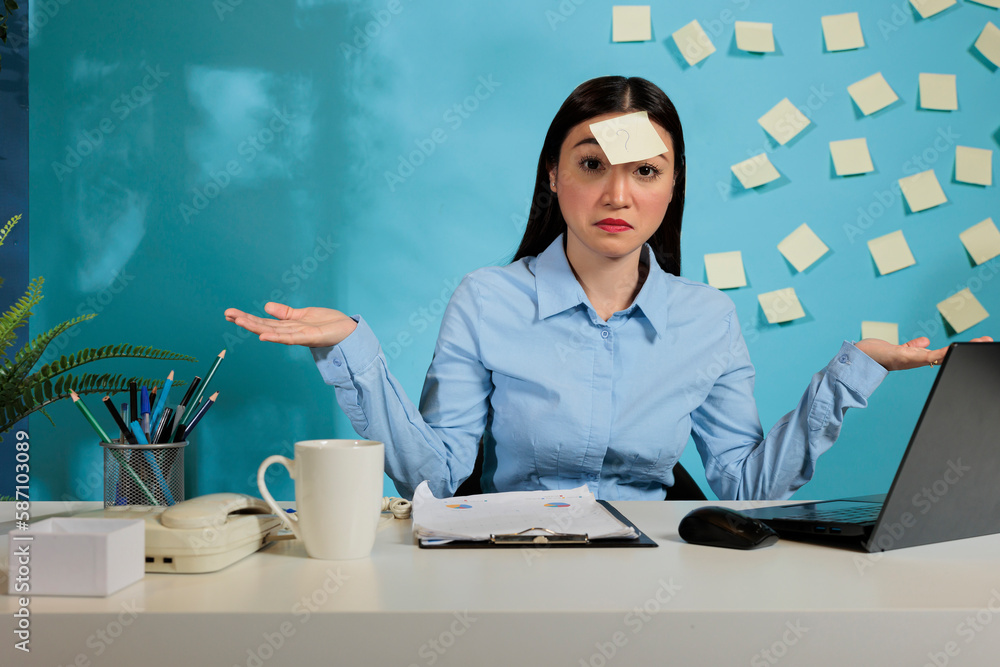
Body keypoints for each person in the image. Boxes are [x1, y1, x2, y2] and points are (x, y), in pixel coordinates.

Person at [225, 76, 991, 502]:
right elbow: (435, 475)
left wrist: (854, 369)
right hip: (504, 569)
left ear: (672, 185)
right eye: (592, 164)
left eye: (645, 170)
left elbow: (746, 484)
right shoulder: (487, 299)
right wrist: (354, 350)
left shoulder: (706, 319)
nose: (617, 194)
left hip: (658, 574)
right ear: (554, 178)